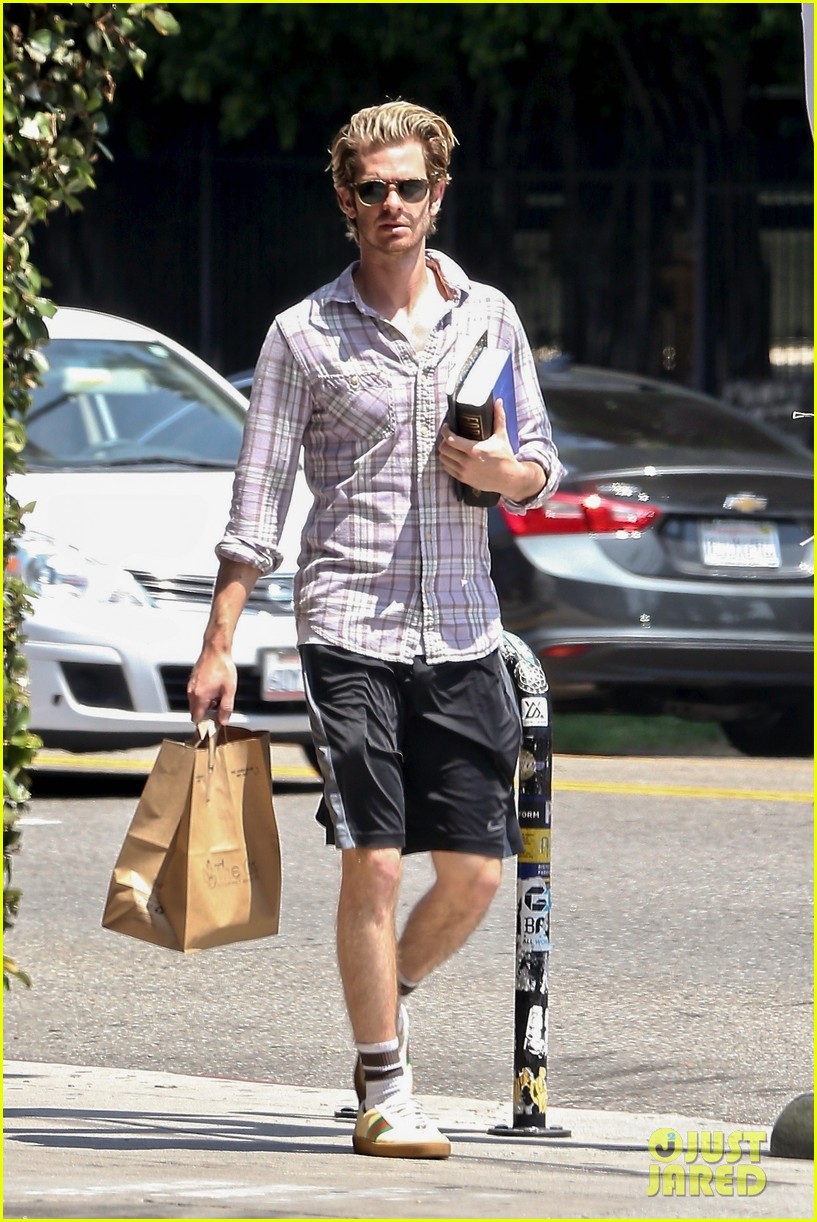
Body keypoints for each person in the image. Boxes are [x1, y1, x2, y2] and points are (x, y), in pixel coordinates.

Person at [187, 100, 564, 1160]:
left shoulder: (489, 317)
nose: (389, 205)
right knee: (377, 858)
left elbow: (541, 461)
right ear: (344, 200)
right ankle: (387, 1088)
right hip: (347, 622)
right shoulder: (301, 335)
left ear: (438, 196)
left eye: (408, 187)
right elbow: (255, 505)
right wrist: (219, 643)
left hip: (460, 628)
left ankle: (378, 1006)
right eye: (370, 189)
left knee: (478, 873)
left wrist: (503, 474)